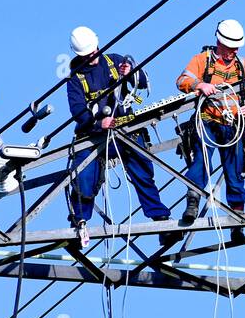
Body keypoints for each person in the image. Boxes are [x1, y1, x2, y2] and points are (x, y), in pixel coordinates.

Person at [65, 25, 178, 249]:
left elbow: (143, 82)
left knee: (142, 173)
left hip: (125, 128)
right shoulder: (75, 80)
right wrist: (98, 122)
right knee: (84, 178)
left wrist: (132, 73)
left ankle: (160, 221)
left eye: (94, 51)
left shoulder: (114, 61)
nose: (93, 56)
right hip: (94, 134)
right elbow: (78, 112)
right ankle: (79, 223)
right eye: (88, 54)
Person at [176, 19, 245, 232]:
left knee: (235, 169)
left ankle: (237, 216)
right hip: (207, 119)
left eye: (235, 48)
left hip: (233, 124)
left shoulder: (243, 66)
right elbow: (182, 80)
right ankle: (193, 203)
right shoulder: (202, 60)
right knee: (201, 160)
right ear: (219, 42)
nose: (232, 52)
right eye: (229, 48)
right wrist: (199, 85)